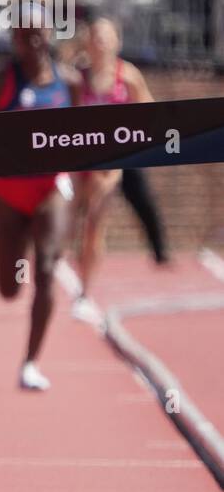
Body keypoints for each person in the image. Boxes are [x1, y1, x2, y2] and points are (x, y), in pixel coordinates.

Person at [0, 0, 82, 392]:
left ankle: (31, 362)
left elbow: (87, 132)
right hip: (8, 193)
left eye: (37, 34)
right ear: (13, 40)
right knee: (8, 288)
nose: (31, 41)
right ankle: (18, 253)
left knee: (48, 267)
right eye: (23, 35)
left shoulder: (68, 82)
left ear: (49, 35)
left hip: (52, 187)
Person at [71, 17, 155, 317]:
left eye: (106, 37)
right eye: (96, 37)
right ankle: (58, 271)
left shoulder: (127, 76)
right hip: (79, 161)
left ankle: (84, 291)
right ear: (88, 42)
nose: (101, 43)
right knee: (69, 225)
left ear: (117, 42)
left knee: (95, 225)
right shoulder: (76, 78)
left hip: (112, 164)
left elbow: (150, 114)